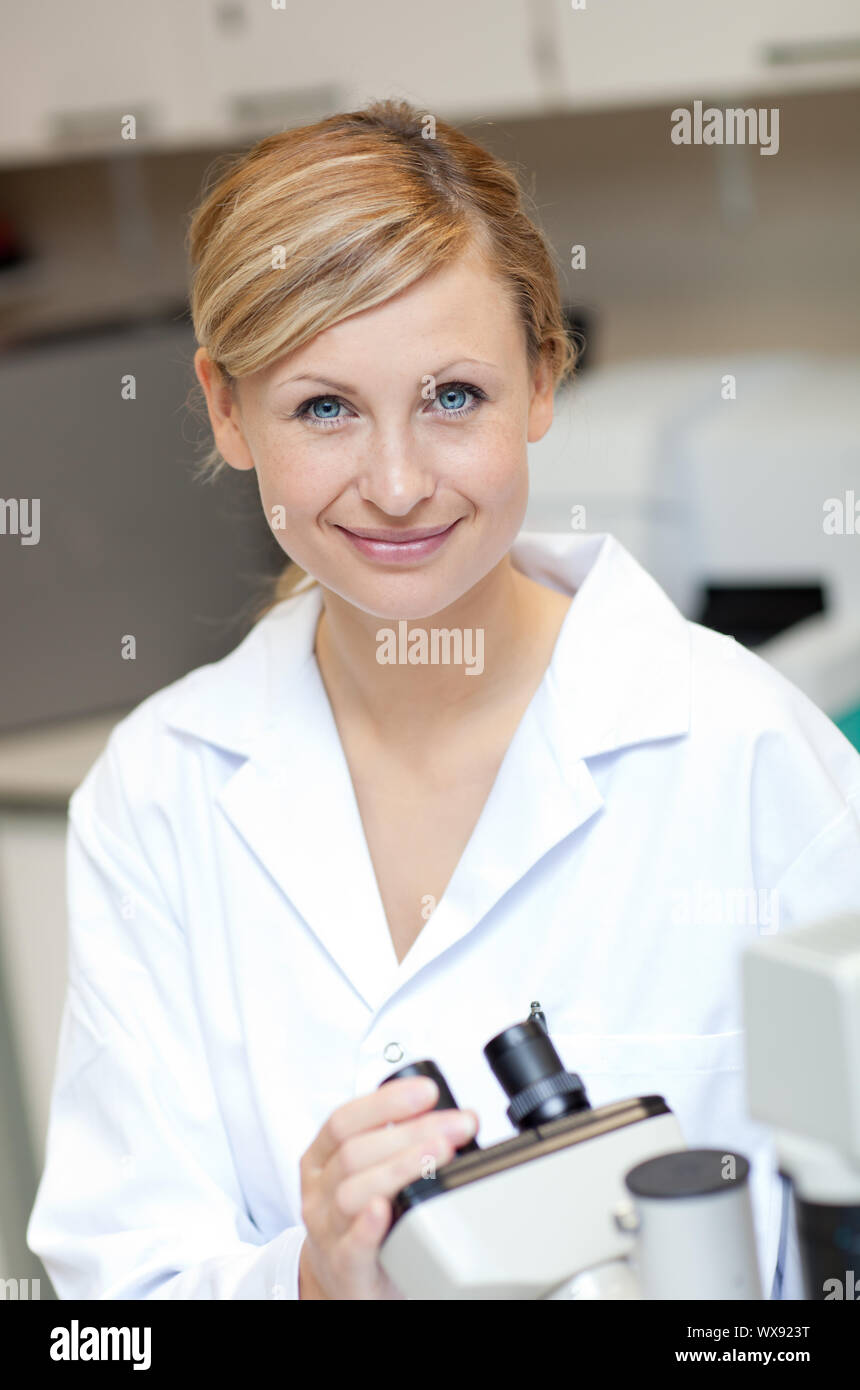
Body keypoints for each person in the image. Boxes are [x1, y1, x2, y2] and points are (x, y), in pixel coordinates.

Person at [28, 99, 860, 1301]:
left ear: (541, 375)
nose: (399, 484)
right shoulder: (158, 799)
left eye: (453, 396)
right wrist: (311, 1280)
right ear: (225, 410)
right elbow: (109, 1317)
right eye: (324, 407)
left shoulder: (743, 753)